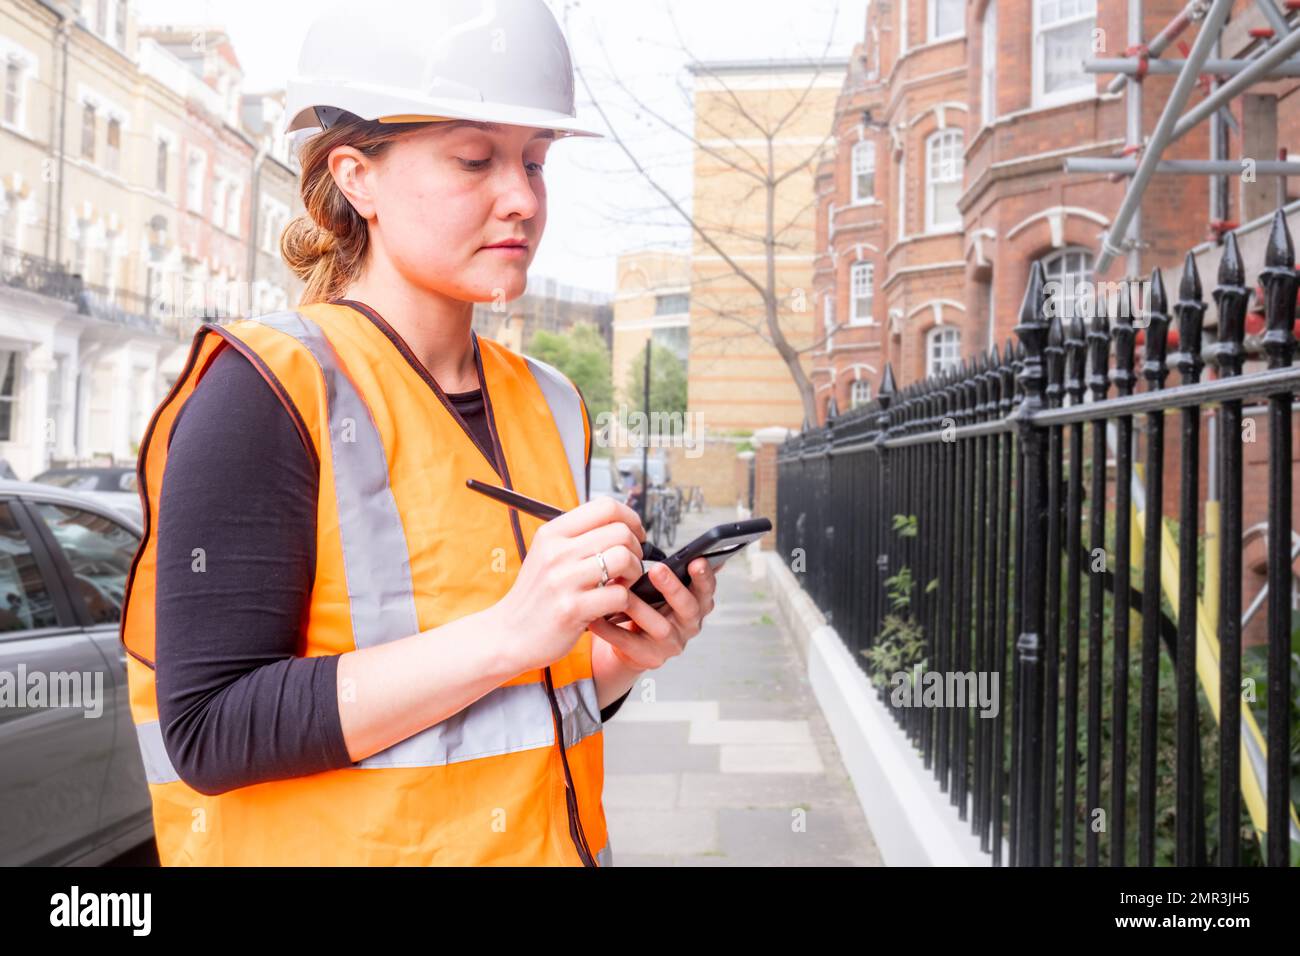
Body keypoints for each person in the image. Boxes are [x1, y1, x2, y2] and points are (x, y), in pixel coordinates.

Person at [119, 0, 718, 866]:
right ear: (357, 177)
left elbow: (516, 713)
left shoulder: (550, 400)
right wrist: (512, 631)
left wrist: (625, 656)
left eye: (537, 163)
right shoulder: (267, 388)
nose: (521, 198)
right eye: (476, 159)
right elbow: (211, 732)